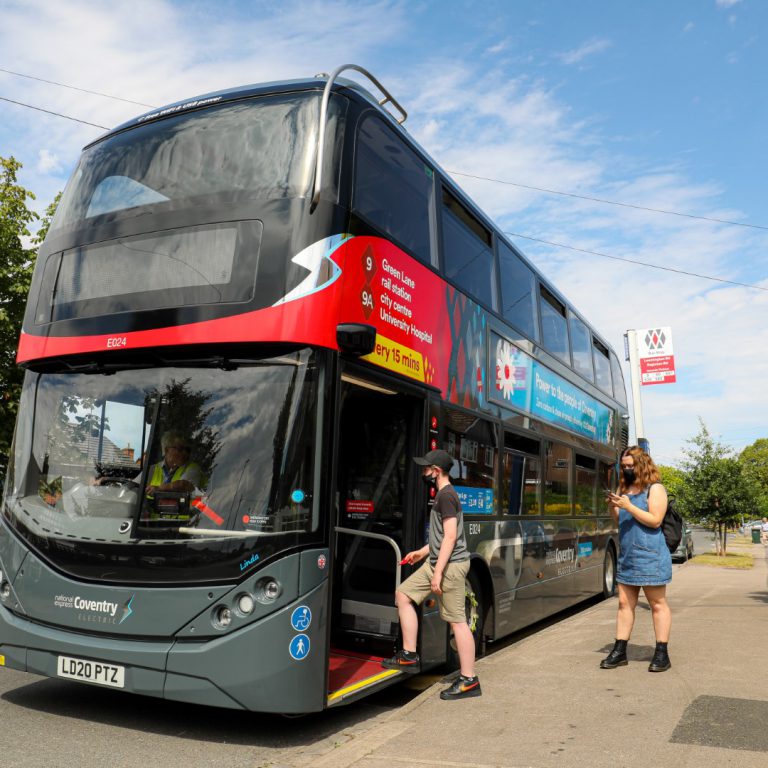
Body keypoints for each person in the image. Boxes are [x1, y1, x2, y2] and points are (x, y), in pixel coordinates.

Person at [381, 449, 481, 700]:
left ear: (436, 471)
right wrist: (422, 552)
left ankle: (469, 680)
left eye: (426, 467)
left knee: (457, 620)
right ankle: (409, 655)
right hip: (437, 561)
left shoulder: (447, 496)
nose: (423, 471)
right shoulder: (443, 496)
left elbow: (450, 536)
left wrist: (437, 573)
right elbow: (441, 538)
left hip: (451, 566)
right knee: (403, 595)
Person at [601, 445, 672, 672]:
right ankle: (620, 650)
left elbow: (655, 520)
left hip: (650, 555)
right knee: (624, 604)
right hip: (628, 555)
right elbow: (619, 522)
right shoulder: (625, 488)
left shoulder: (655, 488)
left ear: (642, 465)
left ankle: (662, 653)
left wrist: (629, 506)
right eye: (624, 466)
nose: (627, 469)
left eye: (631, 466)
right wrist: (615, 506)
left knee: (657, 604)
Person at [145, 430, 201, 496]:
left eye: (187, 450)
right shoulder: (152, 469)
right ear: (166, 450)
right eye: (180, 449)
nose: (185, 453)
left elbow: (184, 485)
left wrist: (159, 488)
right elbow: (133, 486)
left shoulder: (193, 468)